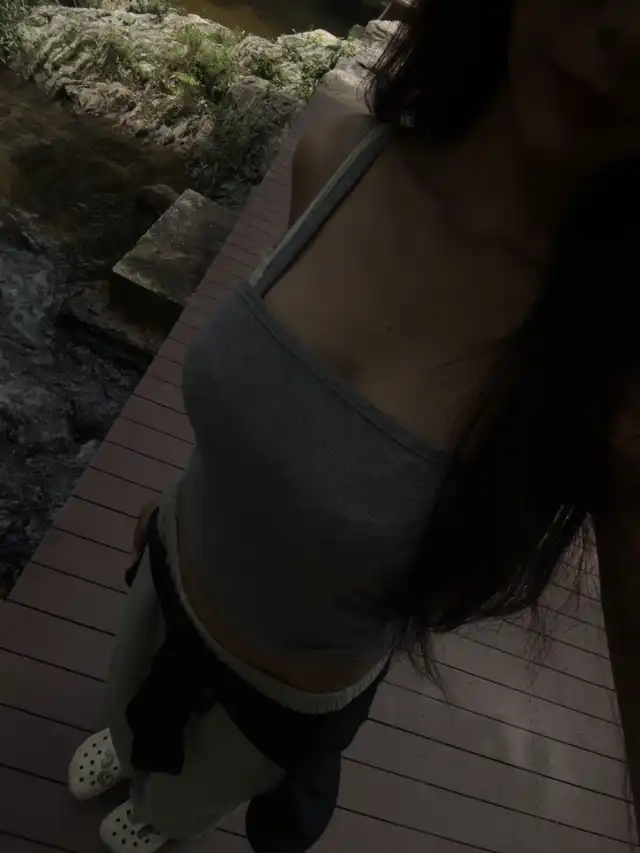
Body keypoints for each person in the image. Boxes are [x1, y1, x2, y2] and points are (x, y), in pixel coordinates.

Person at [68, 2, 640, 851]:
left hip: (275, 695)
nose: (628, 34)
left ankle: (161, 814)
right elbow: (272, 398)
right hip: (169, 572)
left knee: (189, 789)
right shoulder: (340, 158)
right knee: (127, 702)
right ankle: (128, 747)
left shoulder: (611, 385)